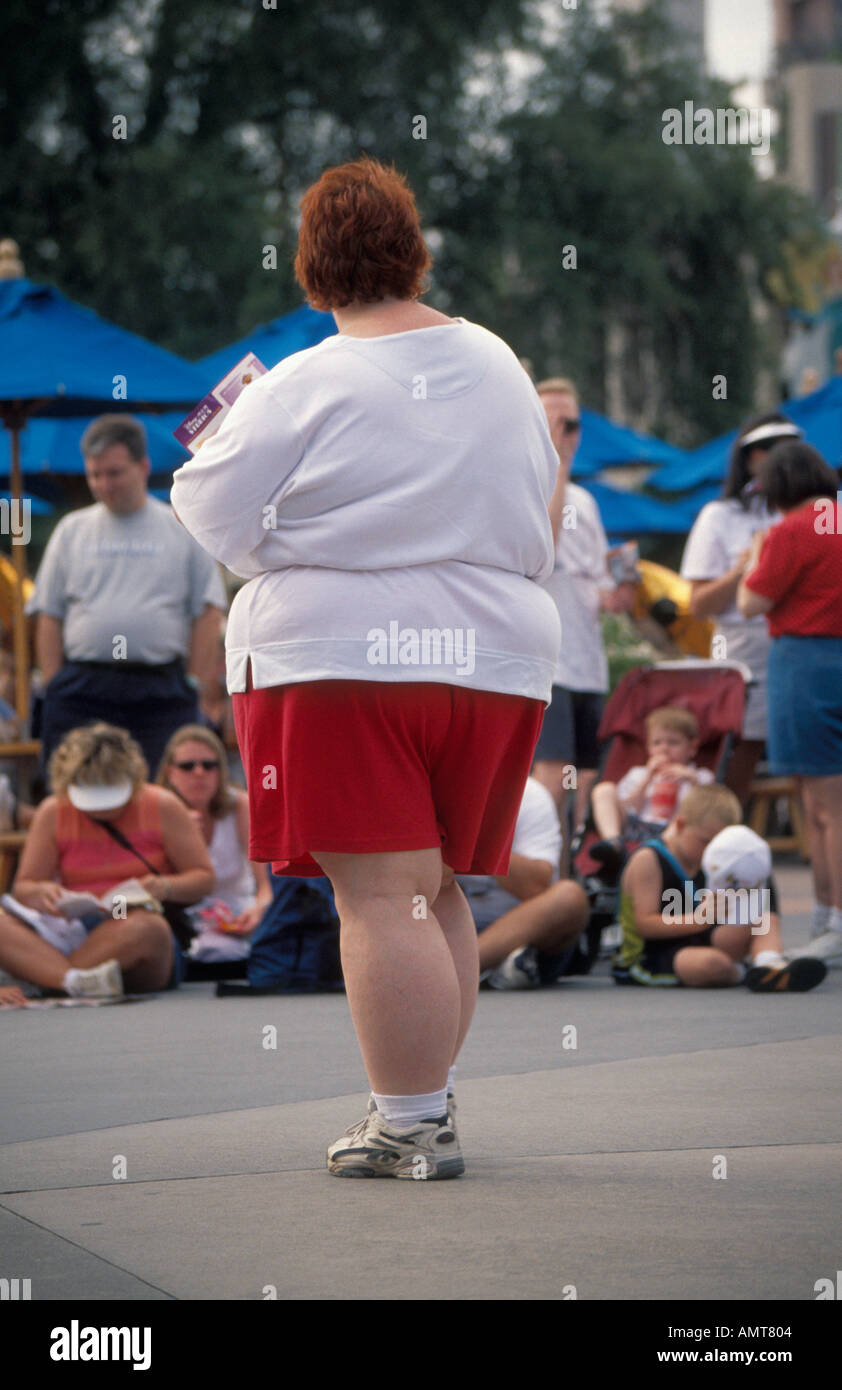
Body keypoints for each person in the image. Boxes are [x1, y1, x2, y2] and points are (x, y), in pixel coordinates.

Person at [171, 157, 562, 1180]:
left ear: (310, 268)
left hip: (343, 653)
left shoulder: (302, 378)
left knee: (379, 898)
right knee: (434, 891)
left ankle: (411, 1121)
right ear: (415, 248)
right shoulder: (501, 363)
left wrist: (282, 556)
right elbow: (541, 513)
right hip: (492, 655)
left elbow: (207, 507)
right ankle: (419, 1096)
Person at [28, 414, 228, 776]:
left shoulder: (181, 528)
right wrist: (55, 682)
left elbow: (208, 612)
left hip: (160, 692)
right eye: (95, 475)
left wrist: (194, 684)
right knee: (72, 795)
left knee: (161, 797)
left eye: (114, 473)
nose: (104, 484)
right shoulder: (71, 530)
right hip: (81, 689)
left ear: (143, 466)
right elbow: (49, 614)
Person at [0, 723, 214, 999]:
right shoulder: (53, 811)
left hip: (128, 918)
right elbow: (25, 887)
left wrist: (164, 886)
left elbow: (204, 878)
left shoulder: (163, 805)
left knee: (148, 928)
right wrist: (43, 893)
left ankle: (53, 976)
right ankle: (76, 980)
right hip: (73, 927)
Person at [737, 439, 842, 965]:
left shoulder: (791, 530)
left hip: (804, 662)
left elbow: (750, 601)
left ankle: (833, 915)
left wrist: (756, 553)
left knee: (821, 804)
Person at [531, 377, 634, 852]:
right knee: (551, 773)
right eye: (553, 421)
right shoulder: (526, 481)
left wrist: (621, 586)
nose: (564, 432)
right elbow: (544, 549)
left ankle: (573, 871)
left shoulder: (586, 501)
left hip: (586, 661)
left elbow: (600, 588)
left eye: (570, 423)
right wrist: (557, 466)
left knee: (586, 777)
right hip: (546, 659)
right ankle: (545, 867)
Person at [681, 412, 802, 804]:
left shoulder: (805, 514)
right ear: (751, 458)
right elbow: (698, 606)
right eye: (773, 450)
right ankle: (724, 846)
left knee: (810, 762)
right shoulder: (719, 516)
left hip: (799, 646)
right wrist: (742, 569)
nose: (785, 459)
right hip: (742, 649)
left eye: (791, 449)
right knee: (740, 755)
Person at [612, 784, 825, 991]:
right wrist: (697, 920)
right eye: (706, 842)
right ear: (680, 825)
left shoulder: (716, 860)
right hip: (654, 954)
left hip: (707, 939)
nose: (713, 852)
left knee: (760, 901)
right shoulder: (648, 859)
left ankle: (769, 963)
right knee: (710, 964)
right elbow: (644, 924)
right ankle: (748, 972)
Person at [458, 775, 589, 989]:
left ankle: (458, 969)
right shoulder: (424, 790)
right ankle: (487, 969)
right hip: (445, 927)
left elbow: (535, 887)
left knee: (569, 897)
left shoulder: (530, 795)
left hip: (518, 928)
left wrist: (472, 833)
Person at [157, 724, 272, 962]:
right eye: (187, 766)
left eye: (209, 765)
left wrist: (260, 910)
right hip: (180, 918)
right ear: (170, 773)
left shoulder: (240, 806)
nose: (199, 773)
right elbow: (144, 883)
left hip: (238, 914)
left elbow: (267, 885)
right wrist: (180, 838)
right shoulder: (156, 811)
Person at [590, 706, 714, 873]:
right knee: (604, 789)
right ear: (648, 748)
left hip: (672, 833)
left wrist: (691, 779)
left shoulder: (700, 776)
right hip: (637, 826)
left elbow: (709, 809)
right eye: (657, 743)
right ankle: (613, 844)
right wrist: (647, 779)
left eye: (673, 743)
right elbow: (629, 807)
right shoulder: (639, 773)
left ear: (692, 748)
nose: (664, 749)